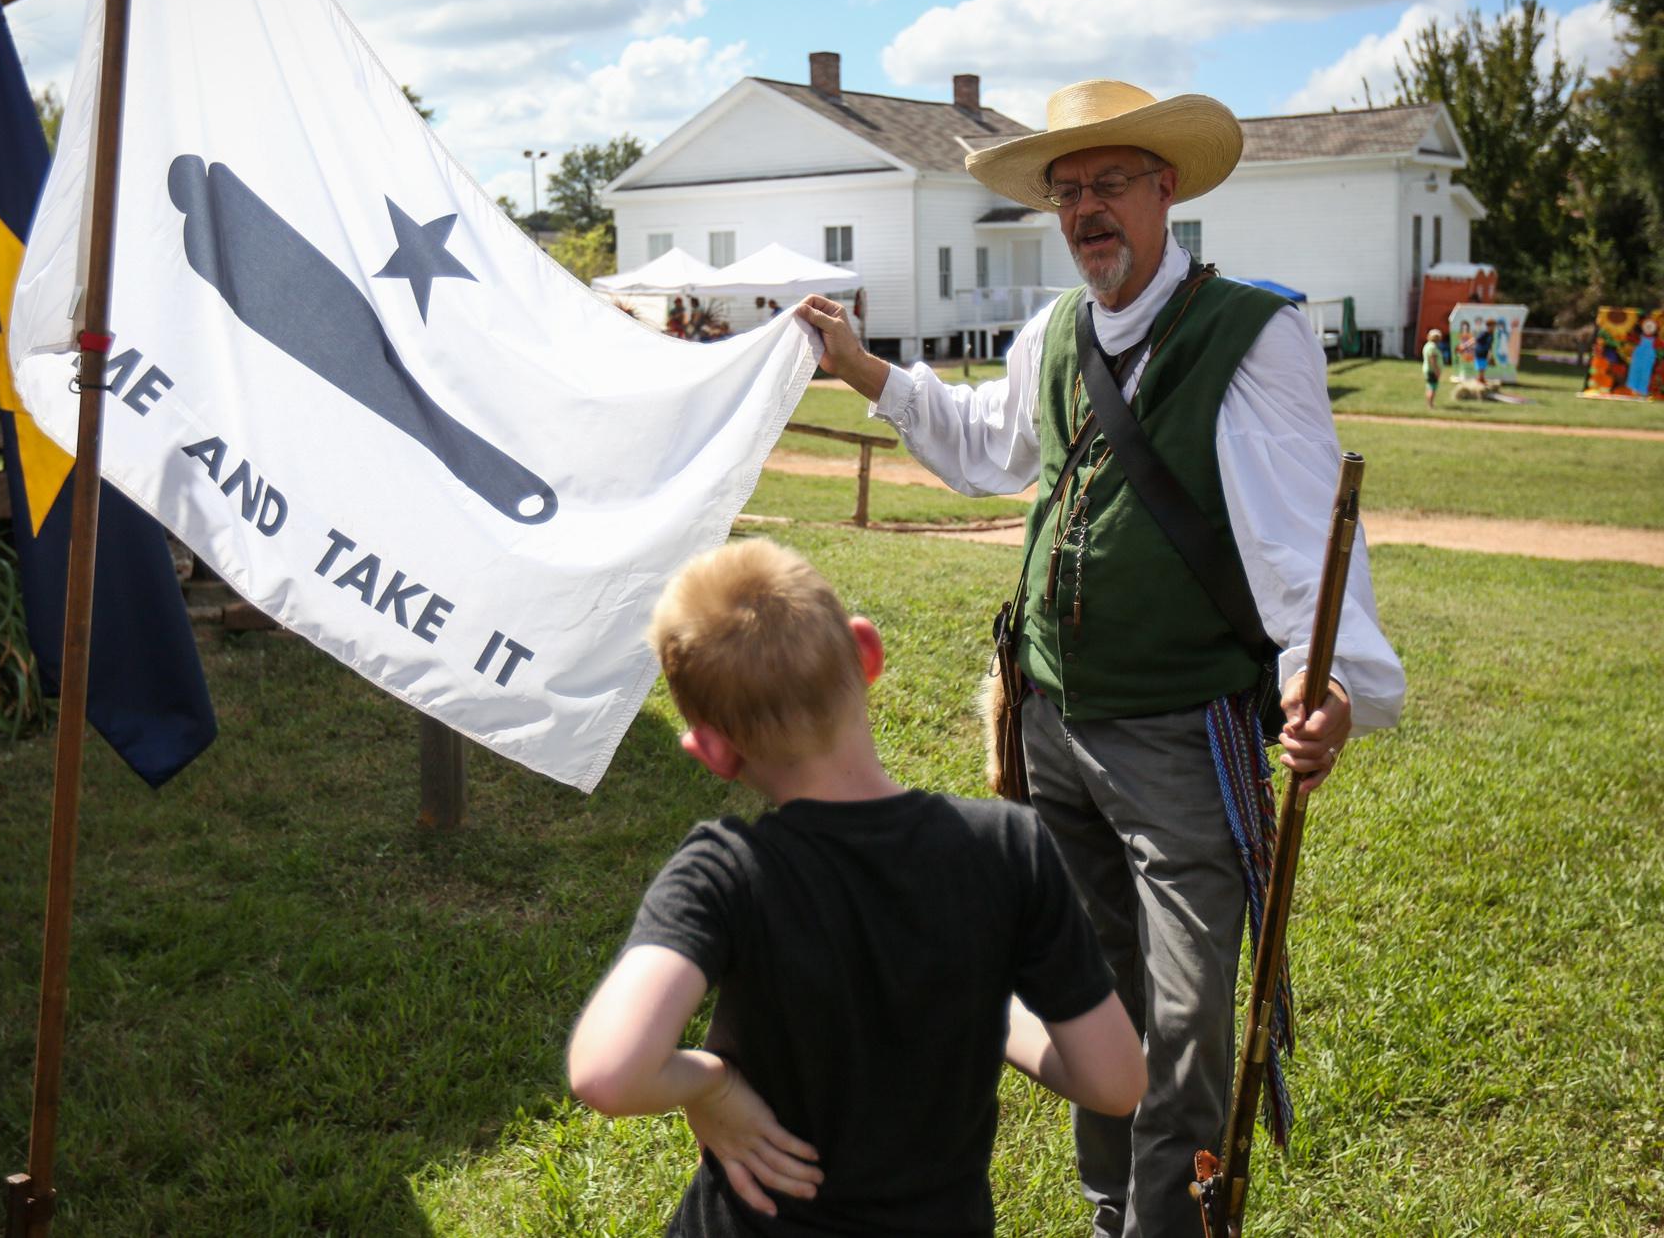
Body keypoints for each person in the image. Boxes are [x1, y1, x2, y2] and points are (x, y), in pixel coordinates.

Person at [795, 79, 1405, 1238]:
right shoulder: (1057, 329)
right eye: (1066, 192)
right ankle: (1105, 1212)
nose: (1085, 211)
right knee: (1089, 1001)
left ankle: (1171, 1226)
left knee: (1183, 1020)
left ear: (1163, 189)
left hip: (1181, 736)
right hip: (1050, 724)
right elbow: (987, 443)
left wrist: (1319, 683)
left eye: (1108, 184)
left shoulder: (1250, 336)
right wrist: (860, 365)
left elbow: (1302, 548)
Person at [568, 538, 1147, 1236]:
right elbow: (1115, 1082)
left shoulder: (725, 870)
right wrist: (977, 1005)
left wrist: (712, 1085)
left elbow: (607, 1070)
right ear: (866, 653)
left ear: (713, 750)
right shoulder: (1009, 849)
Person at [1423, 328, 1445, 408]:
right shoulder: (1432, 347)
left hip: (1427, 369)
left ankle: (1429, 403)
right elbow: (1433, 361)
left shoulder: (1427, 345)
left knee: (1429, 386)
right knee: (1433, 387)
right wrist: (1437, 371)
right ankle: (1430, 404)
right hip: (1432, 370)